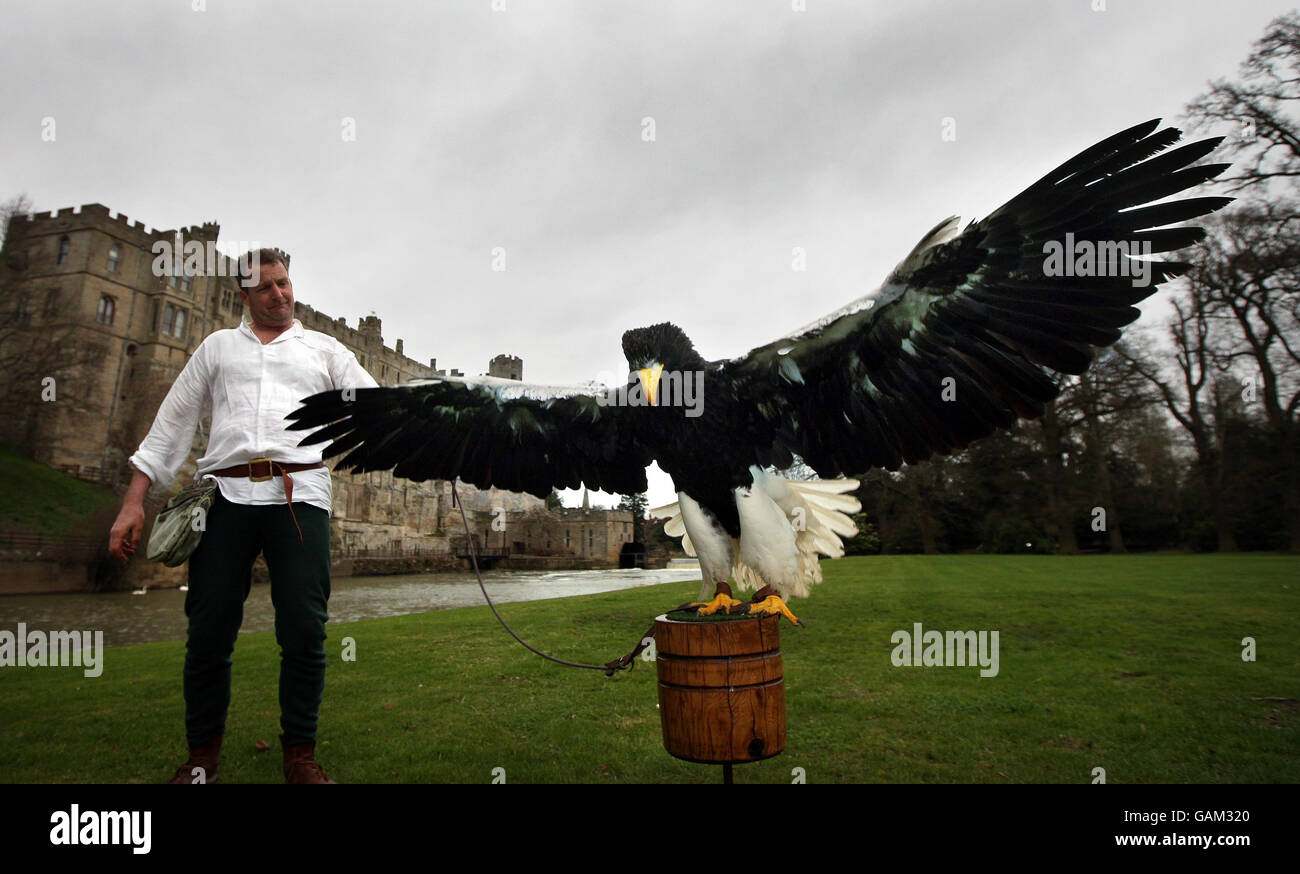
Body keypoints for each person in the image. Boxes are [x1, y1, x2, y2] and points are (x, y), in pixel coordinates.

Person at [108, 248, 378, 784]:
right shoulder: (217, 349)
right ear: (244, 295)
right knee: (208, 632)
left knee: (304, 630)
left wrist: (442, 441)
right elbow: (171, 425)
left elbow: (379, 413)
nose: (279, 295)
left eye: (284, 284)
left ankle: (300, 756)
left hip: (299, 495)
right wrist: (133, 502)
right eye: (266, 288)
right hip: (224, 499)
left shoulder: (325, 351)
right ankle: (202, 759)